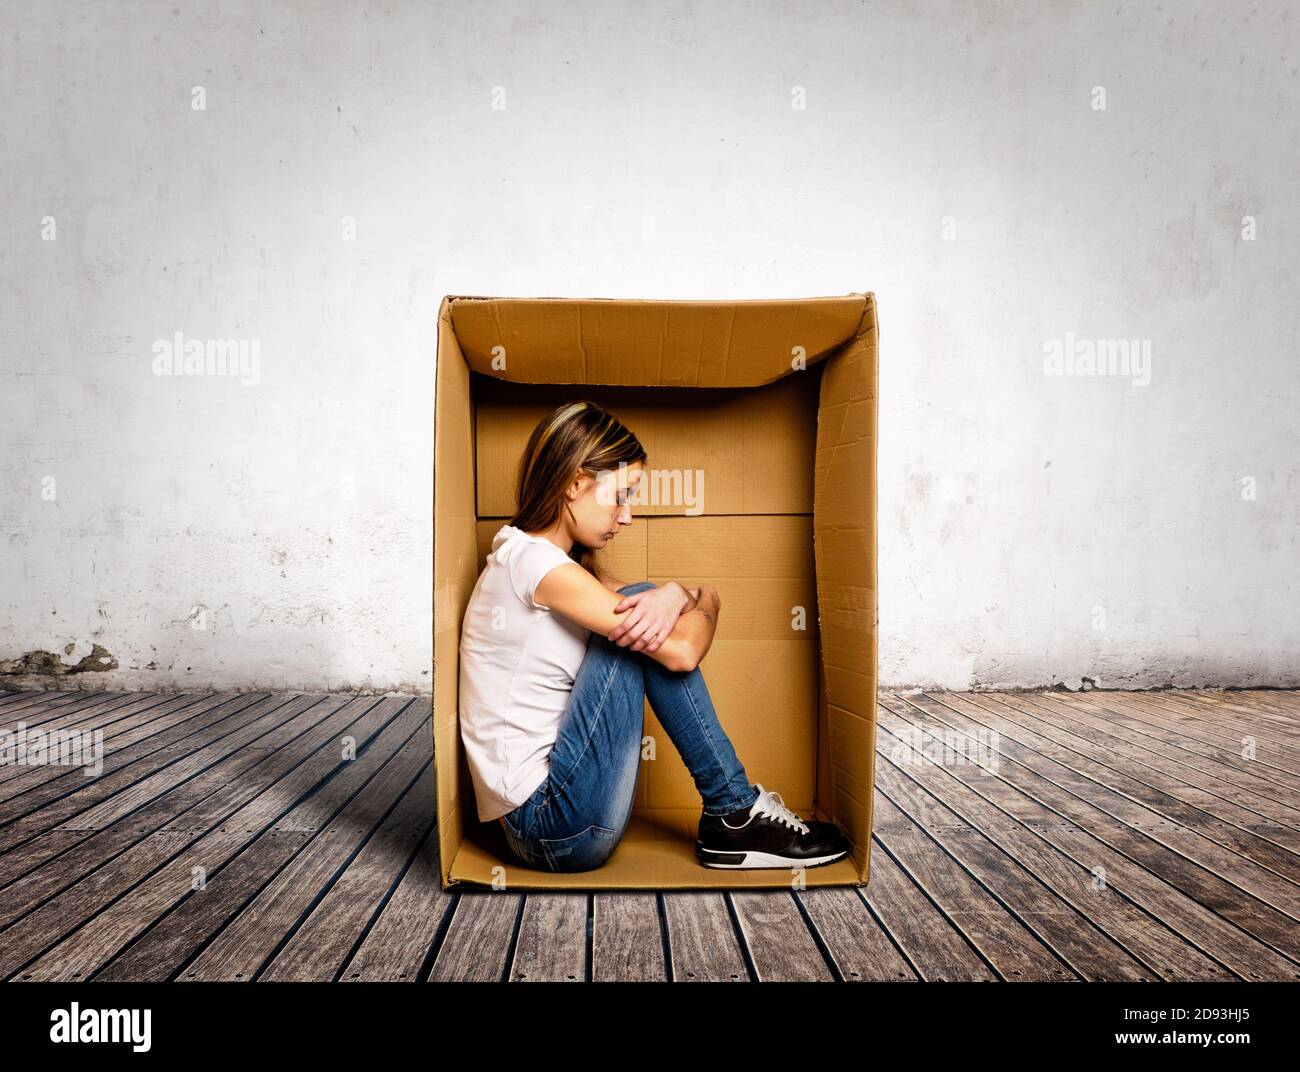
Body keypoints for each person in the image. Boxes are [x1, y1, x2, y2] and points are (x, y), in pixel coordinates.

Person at [457, 399, 850, 873]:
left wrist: (677, 593)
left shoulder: (548, 565)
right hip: (550, 827)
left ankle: (732, 813)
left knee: (641, 607)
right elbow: (682, 651)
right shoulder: (533, 565)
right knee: (640, 617)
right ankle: (732, 812)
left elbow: (690, 601)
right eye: (619, 495)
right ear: (575, 484)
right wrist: (683, 598)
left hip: (555, 822)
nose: (626, 517)